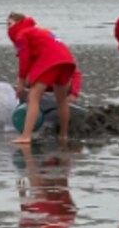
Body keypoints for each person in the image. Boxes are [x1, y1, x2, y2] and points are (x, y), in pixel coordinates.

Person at [7, 12, 77, 144]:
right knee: (61, 100)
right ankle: (64, 135)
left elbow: (24, 59)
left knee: (33, 96)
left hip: (50, 60)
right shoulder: (40, 30)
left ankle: (26, 136)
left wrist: (21, 82)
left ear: (19, 22)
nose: (8, 28)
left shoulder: (21, 34)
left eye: (10, 24)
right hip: (66, 60)